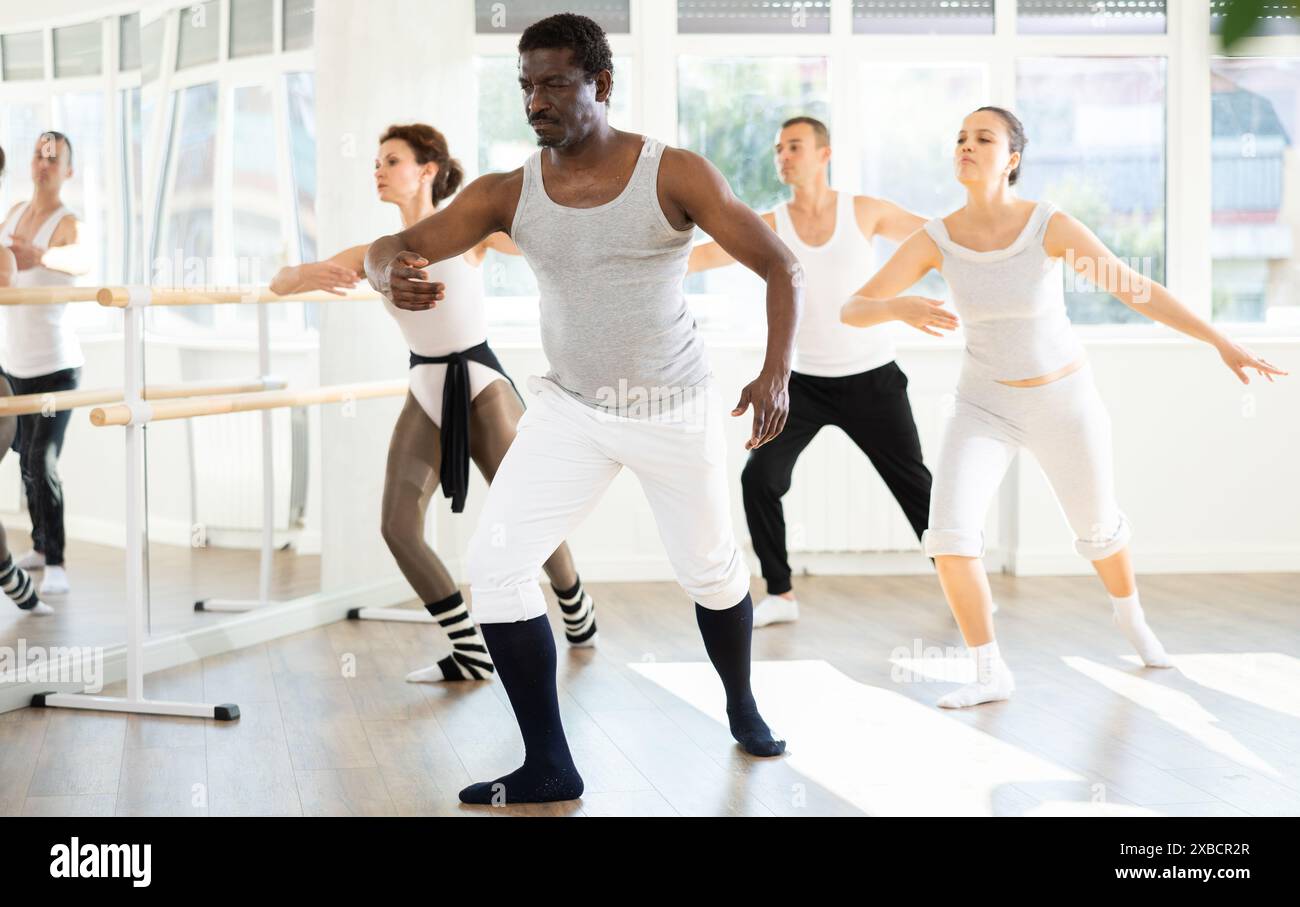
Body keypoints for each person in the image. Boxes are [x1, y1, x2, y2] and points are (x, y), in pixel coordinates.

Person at [367, 13, 802, 804]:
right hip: (571, 410)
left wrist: (776, 373)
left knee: (708, 569)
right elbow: (390, 246)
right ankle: (548, 763)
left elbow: (780, 265)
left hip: (675, 405)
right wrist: (385, 271)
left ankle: (740, 700)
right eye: (526, 85)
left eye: (555, 82)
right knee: (497, 566)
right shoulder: (510, 190)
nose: (537, 99)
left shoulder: (675, 174)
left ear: (601, 85)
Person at [842, 106, 1287, 708]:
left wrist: (1219, 341)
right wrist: (900, 308)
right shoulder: (936, 239)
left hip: (1063, 401)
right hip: (983, 404)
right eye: (960, 139)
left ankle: (1130, 617)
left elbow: (1135, 288)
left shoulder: (1046, 224)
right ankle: (989, 669)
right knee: (947, 535)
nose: (967, 147)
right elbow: (855, 307)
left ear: (1013, 159)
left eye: (984, 138)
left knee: (1097, 530)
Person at [271, 123, 597, 682]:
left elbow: (549, 244)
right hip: (425, 386)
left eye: (390, 160)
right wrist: (306, 272)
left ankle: (576, 611)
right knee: (398, 527)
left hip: (482, 384)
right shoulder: (378, 252)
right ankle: (468, 650)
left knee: (526, 517)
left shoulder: (469, 232)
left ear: (427, 170)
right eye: (375, 161)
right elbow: (280, 283)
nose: (377, 169)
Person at [688, 115, 933, 627]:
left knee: (917, 488)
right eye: (778, 148)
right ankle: (780, 594)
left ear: (824, 154)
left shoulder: (865, 211)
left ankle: (960, 583)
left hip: (873, 380)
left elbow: (941, 240)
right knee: (759, 479)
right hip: (802, 385)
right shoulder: (771, 223)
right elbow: (707, 255)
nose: (783, 156)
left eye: (794, 146)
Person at [0, 131, 89, 599]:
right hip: (15, 364)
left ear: (67, 171)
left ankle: (56, 562)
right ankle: (38, 544)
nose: (44, 162)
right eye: (38, 153)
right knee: (24, 461)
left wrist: (43, 255)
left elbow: (84, 259)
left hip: (57, 367)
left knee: (42, 458)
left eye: (54, 157)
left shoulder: (66, 221)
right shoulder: (14, 212)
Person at [0, 143, 51, 616]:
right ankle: (12, 578)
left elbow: (6, 279)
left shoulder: (2, 251)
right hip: (13, 370)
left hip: (14, 386)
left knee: (40, 460)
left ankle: (29, 571)